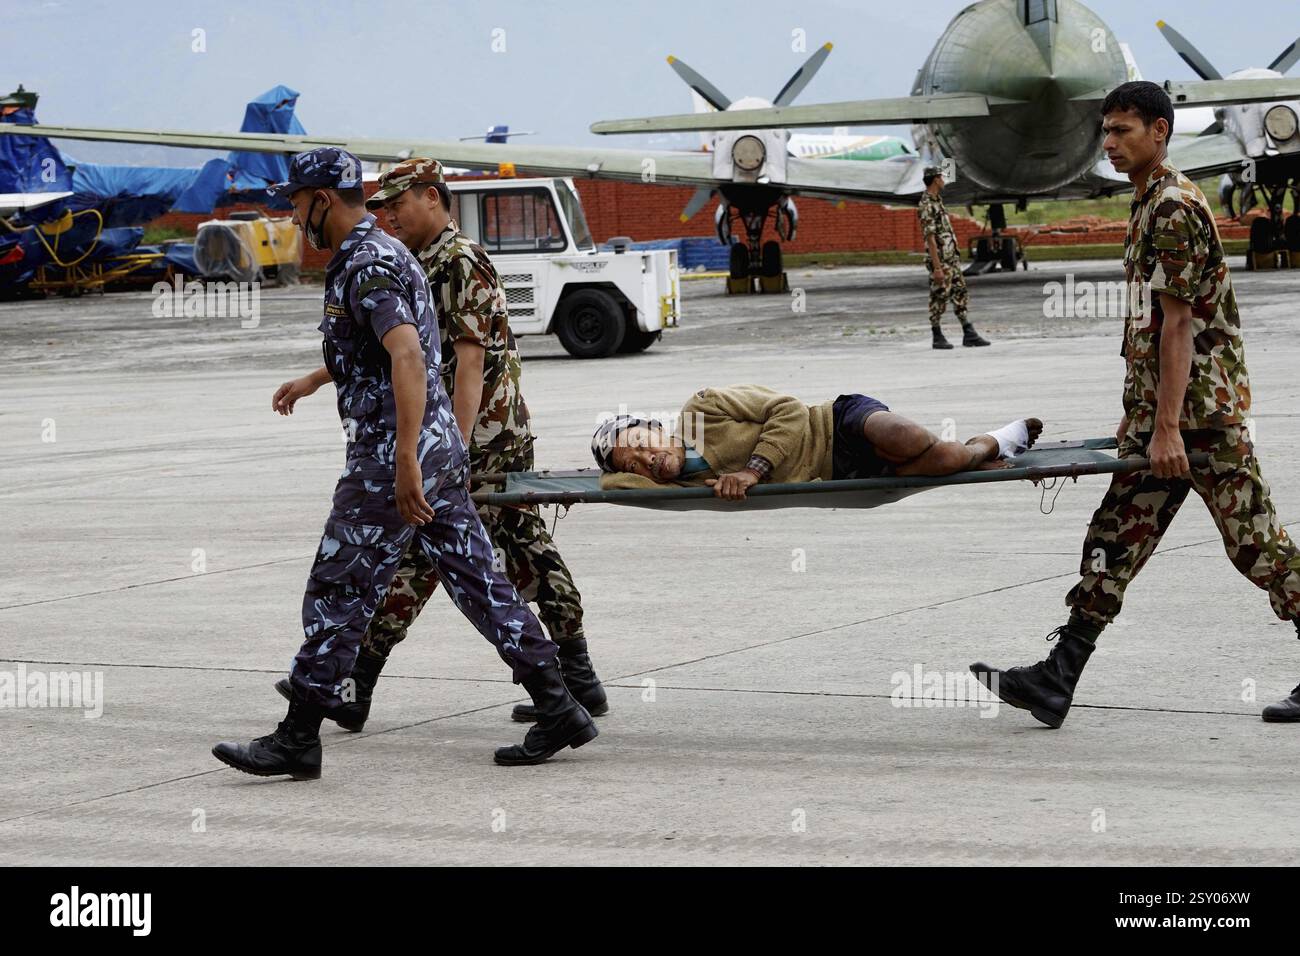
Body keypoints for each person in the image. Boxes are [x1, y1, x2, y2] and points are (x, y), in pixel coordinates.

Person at [211, 148, 597, 779]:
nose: (292, 213)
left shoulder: (368, 262)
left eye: (296, 201)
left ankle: (298, 735)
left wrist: (404, 461)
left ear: (322, 200)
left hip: (393, 452)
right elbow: (376, 349)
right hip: (434, 446)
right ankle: (558, 704)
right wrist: (318, 380)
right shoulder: (383, 256)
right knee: (478, 580)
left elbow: (410, 358)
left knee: (339, 585)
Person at [970, 81, 1300, 728]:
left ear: (1160, 131)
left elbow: (1180, 324)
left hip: (1201, 423)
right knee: (1113, 542)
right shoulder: (1148, 203)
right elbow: (1147, 326)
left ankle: (1057, 675)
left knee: (1258, 549)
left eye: (1123, 131)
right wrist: (1141, 414)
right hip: (1165, 421)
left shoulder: (1174, 207)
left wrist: (1169, 425)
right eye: (1107, 131)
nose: (1111, 143)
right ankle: (1056, 678)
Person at [593, 384, 1041, 499]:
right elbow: (611, 487)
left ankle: (995, 443)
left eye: (642, 442)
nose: (647, 460)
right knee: (945, 457)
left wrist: (752, 471)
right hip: (839, 471)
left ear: (657, 426)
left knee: (909, 437)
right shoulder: (677, 487)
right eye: (633, 463)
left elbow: (786, 408)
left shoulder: (702, 408)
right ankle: (991, 444)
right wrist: (615, 471)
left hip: (833, 422)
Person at [918, 165, 991, 350]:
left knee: (960, 292)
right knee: (939, 295)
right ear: (935, 179)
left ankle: (969, 332)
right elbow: (930, 239)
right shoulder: (927, 204)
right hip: (941, 260)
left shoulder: (937, 200)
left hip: (951, 259)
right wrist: (937, 268)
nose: (944, 180)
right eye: (941, 177)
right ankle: (937, 334)